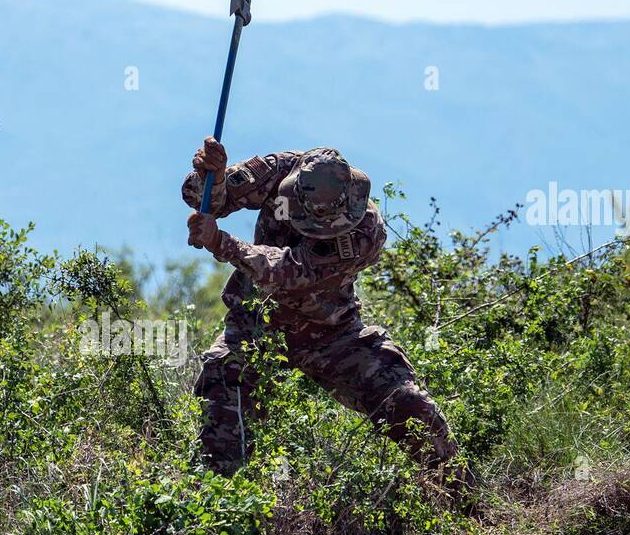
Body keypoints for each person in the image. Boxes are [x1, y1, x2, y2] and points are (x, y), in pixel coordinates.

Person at [183, 136, 462, 481]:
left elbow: (288, 272)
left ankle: (465, 503)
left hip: (331, 336)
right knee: (222, 390)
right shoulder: (281, 170)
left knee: (406, 405)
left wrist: (220, 242)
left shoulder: (365, 234)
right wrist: (212, 174)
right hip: (257, 329)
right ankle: (222, 508)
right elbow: (204, 199)